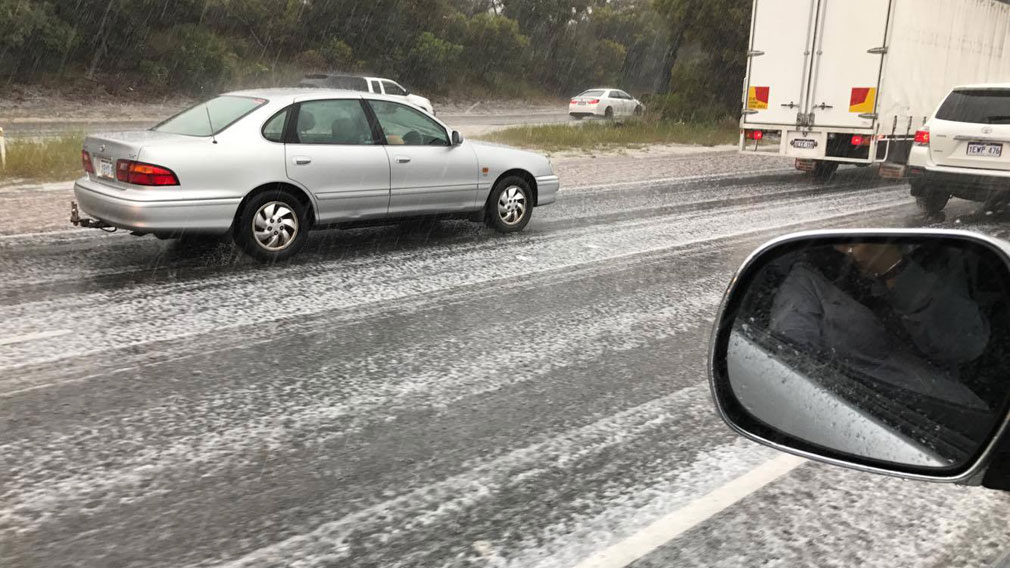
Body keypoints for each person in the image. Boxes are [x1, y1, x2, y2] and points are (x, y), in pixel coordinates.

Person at [767, 243, 992, 411]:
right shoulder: (810, 279)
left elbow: (967, 345)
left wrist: (895, 270)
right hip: (892, 418)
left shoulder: (936, 254)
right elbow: (788, 369)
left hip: (961, 412)